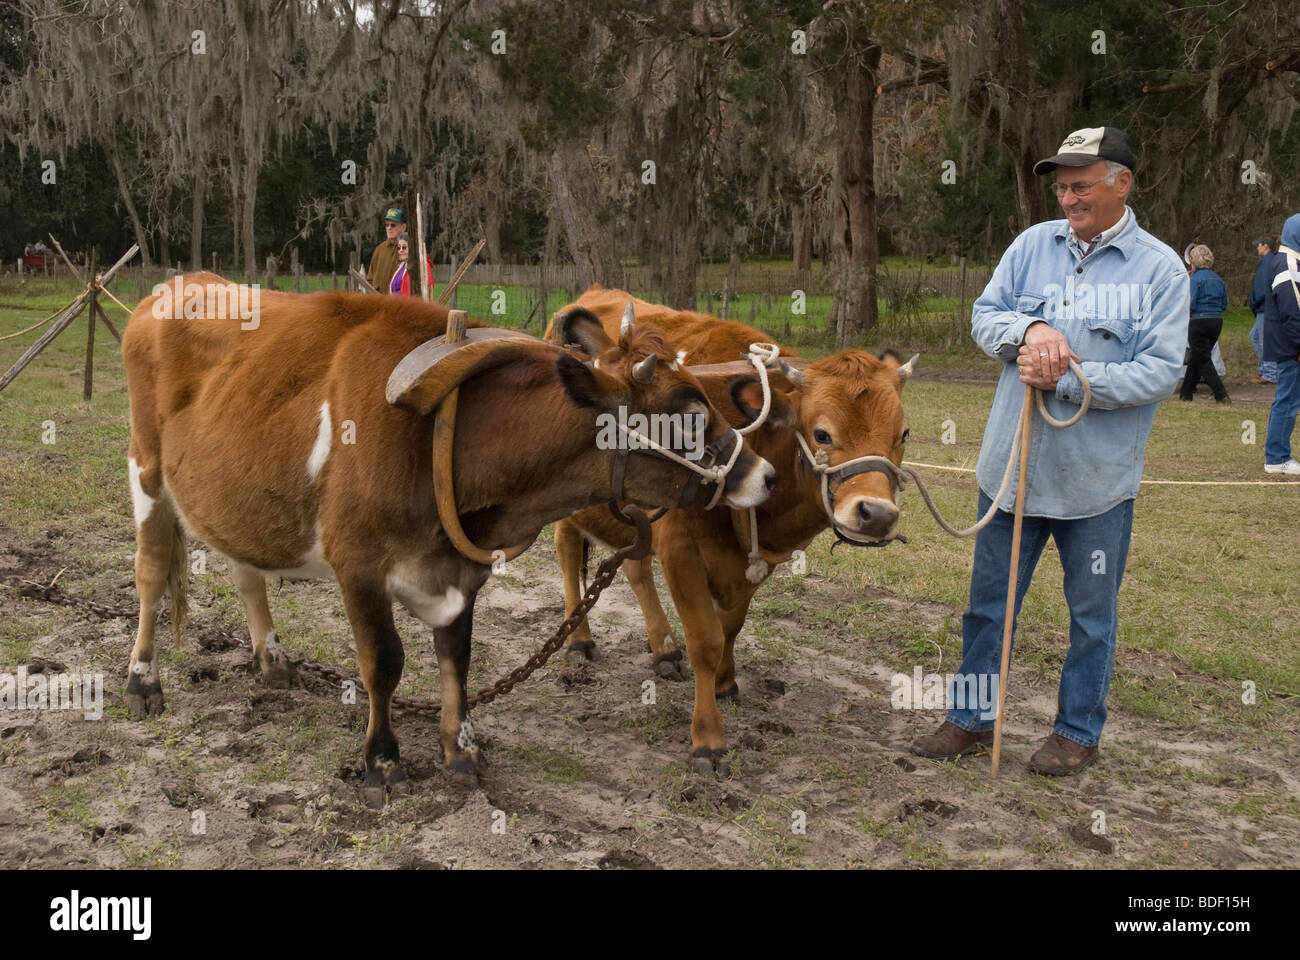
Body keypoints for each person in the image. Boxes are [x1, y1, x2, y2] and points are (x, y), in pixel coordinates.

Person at [909, 126, 1189, 775]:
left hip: (1097, 486)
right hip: (1012, 472)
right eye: (1061, 184)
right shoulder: (1031, 247)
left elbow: (1161, 373)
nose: (1067, 196)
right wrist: (1030, 328)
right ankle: (971, 720)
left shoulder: (1161, 270)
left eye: (1081, 184)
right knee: (987, 608)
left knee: (1091, 618)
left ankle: (1076, 731)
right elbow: (986, 316)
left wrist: (1067, 376)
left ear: (1122, 181)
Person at [1263, 213, 1300, 475]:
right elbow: (1292, 310)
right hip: (1292, 347)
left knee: (1289, 398)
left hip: (1290, 344)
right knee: (1287, 400)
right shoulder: (1288, 264)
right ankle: (1276, 457)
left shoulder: (1290, 262)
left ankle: (1278, 454)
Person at [1179, 244, 1229, 403]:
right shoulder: (1219, 280)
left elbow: (1190, 303)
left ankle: (1221, 394)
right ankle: (1186, 393)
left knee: (1203, 358)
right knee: (1197, 355)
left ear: (1193, 261)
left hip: (1198, 321)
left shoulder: (1194, 280)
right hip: (1216, 322)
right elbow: (1224, 304)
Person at [1250, 235, 1280, 384]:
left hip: (1264, 307)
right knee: (1255, 336)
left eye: (1259, 245)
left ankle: (1270, 373)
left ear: (1265, 246)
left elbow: (1262, 287)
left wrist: (1255, 302)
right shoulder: (1269, 261)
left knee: (1263, 340)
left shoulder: (1267, 262)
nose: (1257, 248)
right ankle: (1265, 370)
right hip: (1264, 306)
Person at [366, 206, 406, 291]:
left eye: (393, 225)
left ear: (403, 227)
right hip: (378, 301)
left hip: (398, 302)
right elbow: (370, 278)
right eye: (387, 225)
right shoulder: (379, 249)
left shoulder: (408, 251)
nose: (389, 228)